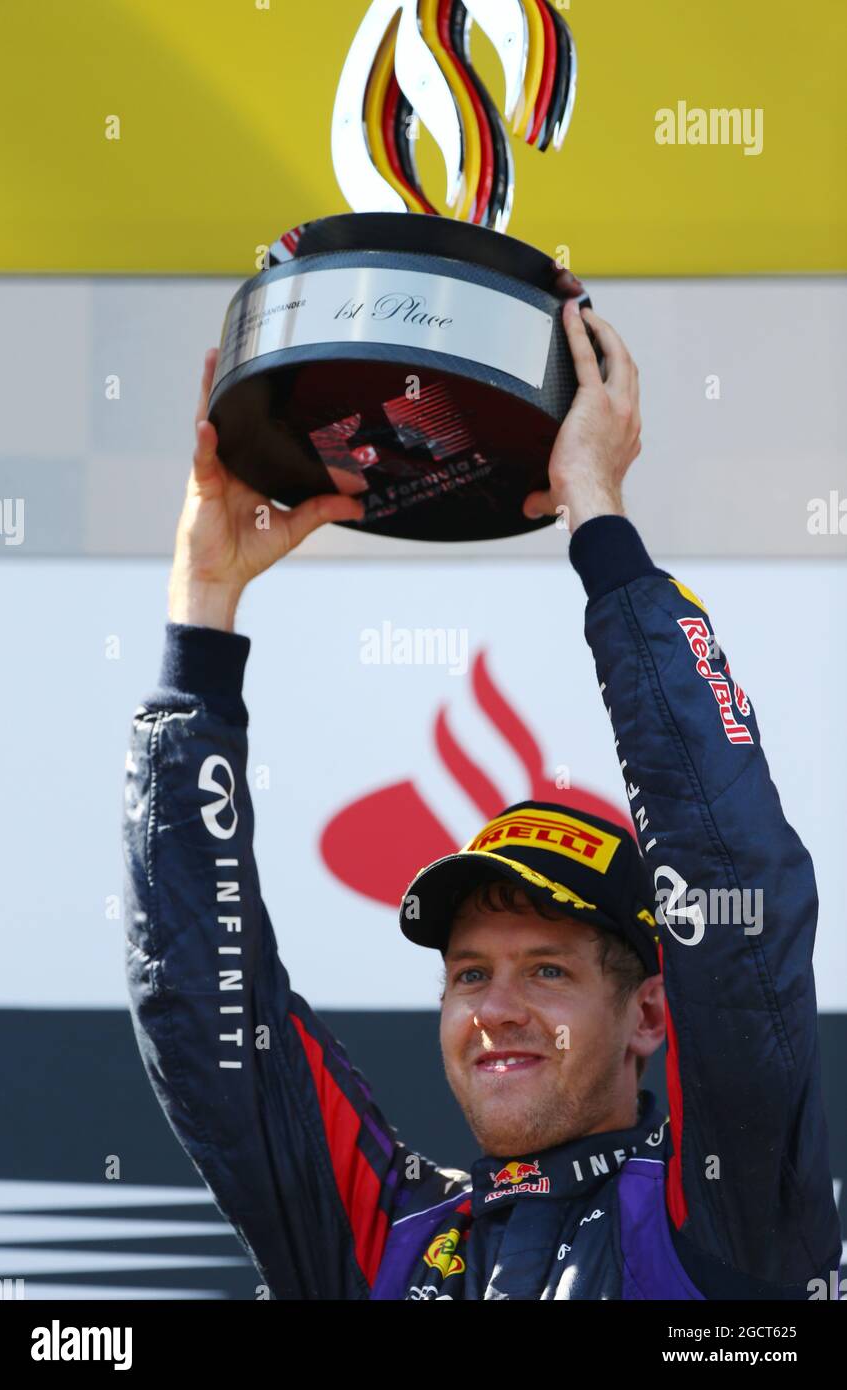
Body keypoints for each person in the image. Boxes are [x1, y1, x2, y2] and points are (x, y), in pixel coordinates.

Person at [123, 291, 841, 1300]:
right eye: (468, 974)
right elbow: (205, 1016)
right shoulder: (389, 1242)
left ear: (645, 1013)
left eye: (546, 971)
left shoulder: (723, 1218)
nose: (493, 1009)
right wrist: (202, 617)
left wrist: (595, 513)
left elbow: (736, 903)